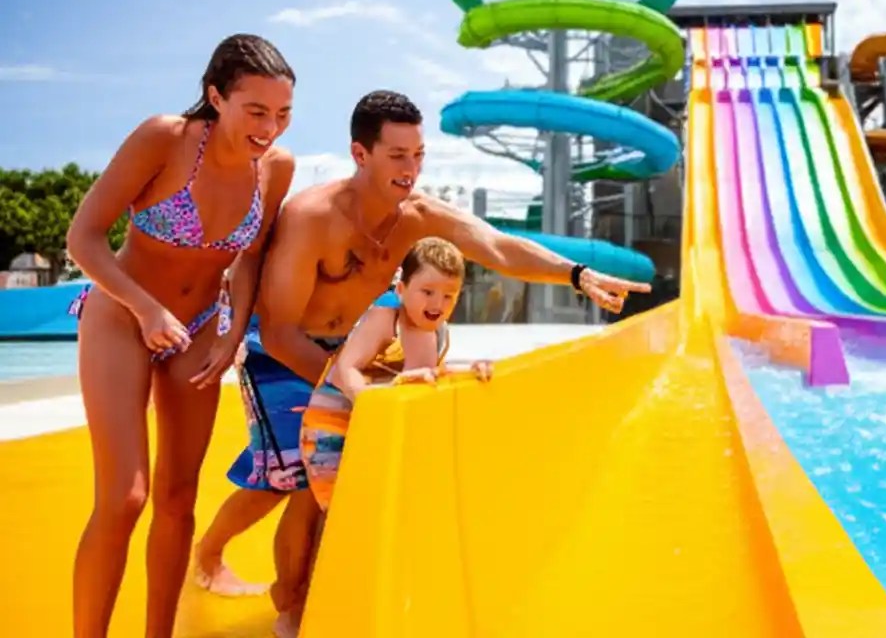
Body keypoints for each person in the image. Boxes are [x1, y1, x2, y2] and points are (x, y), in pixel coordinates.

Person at [204, 89, 649, 638]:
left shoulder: (418, 218)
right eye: (397, 156)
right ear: (360, 154)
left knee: (327, 491)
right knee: (287, 484)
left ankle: (297, 603)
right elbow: (277, 328)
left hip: (350, 355)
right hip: (281, 349)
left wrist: (577, 274)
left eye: (418, 156)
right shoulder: (313, 217)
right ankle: (219, 558)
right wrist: (351, 386)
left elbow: (500, 247)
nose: (411, 169)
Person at [64, 33, 297, 638]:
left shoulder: (277, 168)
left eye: (283, 114)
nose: (270, 128)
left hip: (199, 329)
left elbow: (247, 260)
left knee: (177, 501)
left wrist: (231, 333)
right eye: (256, 111)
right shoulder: (165, 139)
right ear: (216, 96)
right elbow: (83, 239)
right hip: (122, 313)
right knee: (125, 498)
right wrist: (143, 310)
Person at [300, 236, 492, 513]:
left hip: (374, 430)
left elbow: (424, 383)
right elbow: (347, 369)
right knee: (344, 511)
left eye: (448, 295)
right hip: (333, 427)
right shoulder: (385, 318)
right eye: (427, 291)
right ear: (401, 289)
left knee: (380, 509)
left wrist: (470, 375)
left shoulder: (438, 333)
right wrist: (371, 402)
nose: (438, 303)